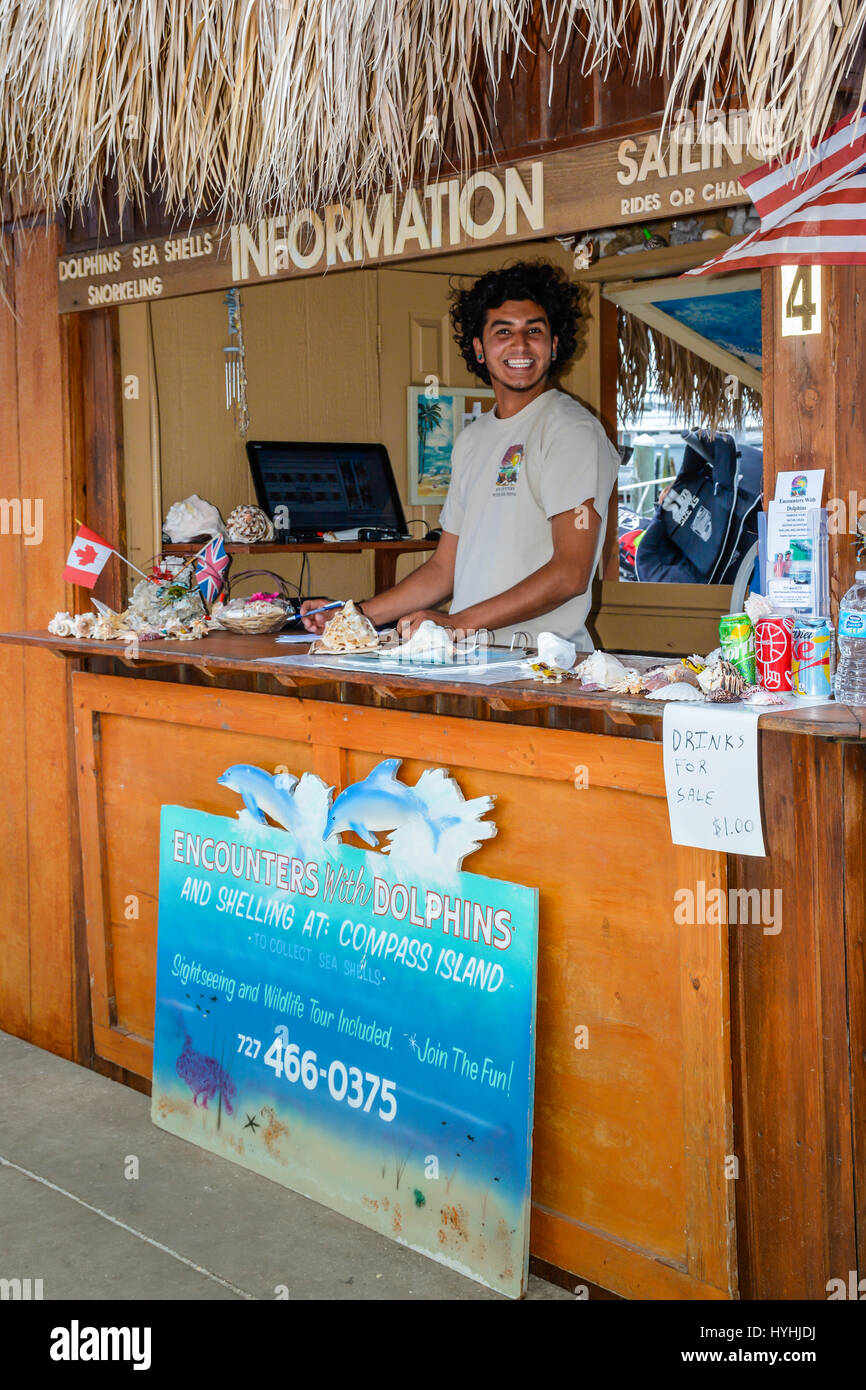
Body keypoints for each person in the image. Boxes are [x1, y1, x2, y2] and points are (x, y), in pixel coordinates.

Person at [301, 259, 620, 648]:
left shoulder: (571, 430)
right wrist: (356, 617)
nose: (520, 344)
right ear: (479, 349)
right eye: (503, 331)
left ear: (554, 346)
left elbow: (570, 573)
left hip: (542, 667)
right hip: (473, 664)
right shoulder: (473, 440)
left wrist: (456, 622)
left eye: (534, 330)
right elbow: (442, 569)